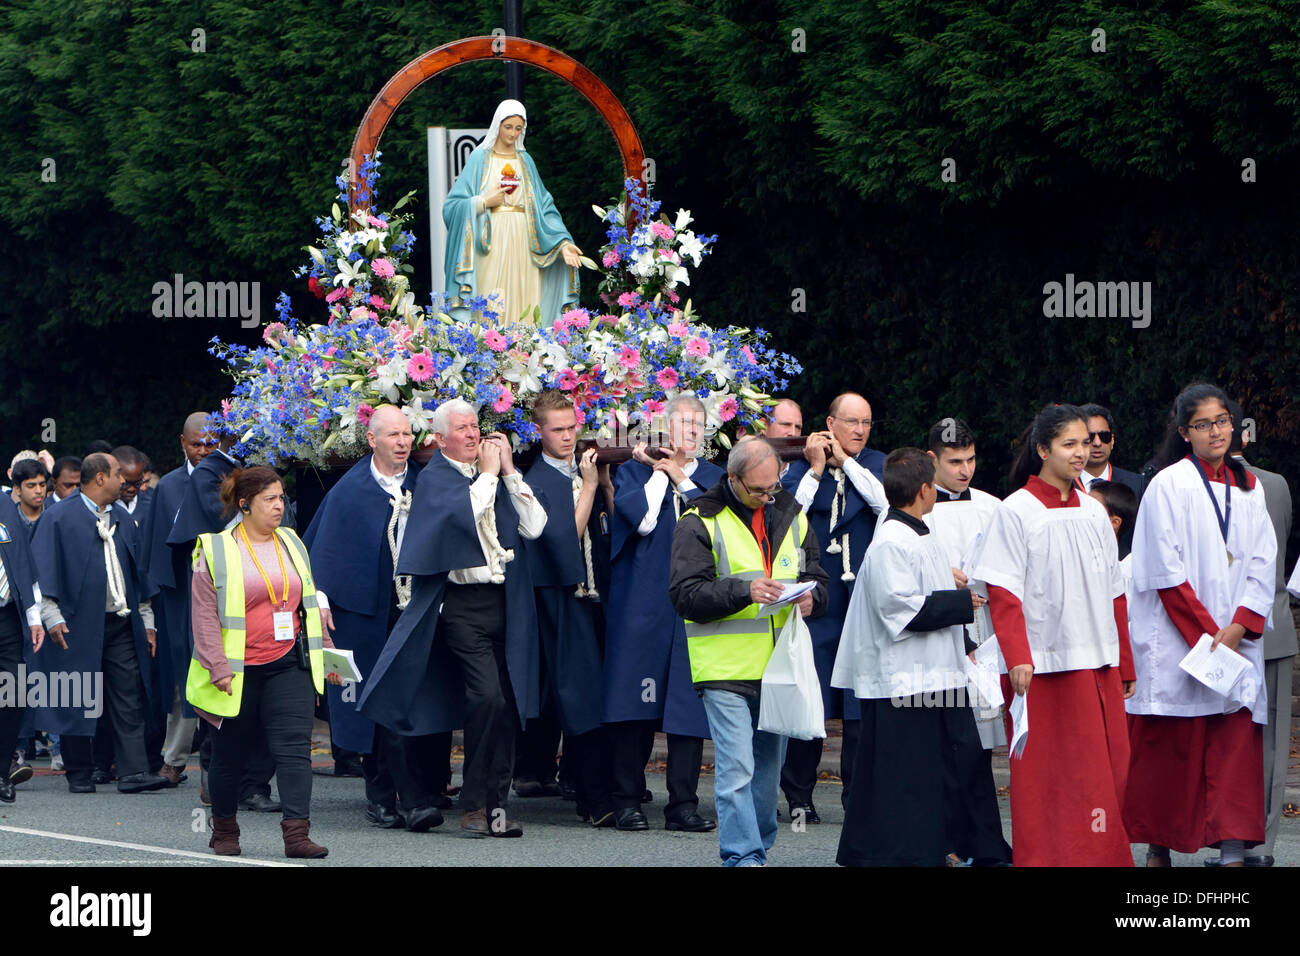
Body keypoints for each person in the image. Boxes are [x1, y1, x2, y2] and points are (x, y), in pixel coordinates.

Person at [359, 399, 546, 838]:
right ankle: (473, 804)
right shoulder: (435, 480)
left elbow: (536, 526)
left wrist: (510, 473)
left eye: (474, 427)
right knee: (487, 699)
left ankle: (494, 808)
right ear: (440, 438)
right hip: (461, 608)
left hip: (505, 603)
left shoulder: (494, 478)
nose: (472, 435)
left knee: (509, 705)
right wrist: (486, 475)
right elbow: (457, 521)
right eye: (461, 429)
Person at [967, 404, 1136, 866]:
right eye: (1069, 444)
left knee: (1104, 774)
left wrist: (1125, 661)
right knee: (1048, 777)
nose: (1082, 452)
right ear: (1043, 449)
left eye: (1085, 443)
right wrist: (1018, 655)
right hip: (1041, 668)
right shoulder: (1016, 510)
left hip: (1098, 663)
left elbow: (1115, 591)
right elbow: (1003, 591)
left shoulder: (1095, 512)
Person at [833, 448, 1008, 866]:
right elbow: (900, 609)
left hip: (939, 673)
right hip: (906, 680)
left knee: (950, 765)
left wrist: (961, 630)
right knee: (907, 777)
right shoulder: (891, 541)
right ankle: (903, 854)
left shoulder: (920, 531)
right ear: (925, 489)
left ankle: (959, 846)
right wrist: (963, 604)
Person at [1125, 384, 1275, 867]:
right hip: (1180, 641)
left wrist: (1238, 629)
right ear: (1184, 433)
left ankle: (1232, 852)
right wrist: (1208, 637)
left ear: (1235, 425)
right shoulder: (1168, 485)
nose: (1216, 431)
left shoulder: (1249, 489)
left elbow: (1262, 563)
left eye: (1223, 421)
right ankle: (1159, 847)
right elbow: (1161, 568)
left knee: (1233, 750)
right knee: (1172, 753)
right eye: (1203, 424)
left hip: (1234, 640)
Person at [670, 437, 827, 866]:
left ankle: (756, 849)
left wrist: (813, 598)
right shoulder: (698, 519)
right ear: (733, 478)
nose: (767, 496)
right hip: (723, 667)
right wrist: (745, 591)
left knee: (766, 774)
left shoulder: (791, 512)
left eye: (772, 487)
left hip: (777, 667)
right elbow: (684, 595)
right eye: (757, 489)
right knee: (737, 769)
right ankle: (743, 857)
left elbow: (817, 575)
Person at [303, 405, 450, 833]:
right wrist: (323, 607)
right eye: (393, 436)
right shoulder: (350, 492)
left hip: (414, 607)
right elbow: (326, 555)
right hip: (366, 610)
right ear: (372, 440)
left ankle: (403, 795)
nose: (403, 442)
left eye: (407, 434)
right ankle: (393, 795)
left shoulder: (425, 486)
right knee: (374, 700)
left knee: (406, 698)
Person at [189, 466, 342, 858]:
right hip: (236, 670)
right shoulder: (216, 548)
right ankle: (224, 830)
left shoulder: (291, 541)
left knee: (293, 750)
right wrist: (217, 667)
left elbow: (307, 601)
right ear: (245, 504)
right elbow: (204, 616)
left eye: (281, 498)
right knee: (228, 755)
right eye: (270, 499)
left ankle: (296, 835)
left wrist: (325, 653)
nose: (280, 506)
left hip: (288, 662)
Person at [602, 393, 724, 832]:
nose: (691, 431)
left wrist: (682, 478)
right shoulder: (631, 472)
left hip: (693, 608)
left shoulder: (716, 478)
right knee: (635, 702)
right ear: (663, 429)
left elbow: (717, 527)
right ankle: (628, 800)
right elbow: (643, 522)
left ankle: (684, 805)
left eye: (698, 424)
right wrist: (660, 473)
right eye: (683, 423)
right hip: (643, 604)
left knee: (688, 708)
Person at [31, 453, 168, 794]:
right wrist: (50, 616)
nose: (124, 480)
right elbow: (42, 570)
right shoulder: (58, 517)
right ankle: (80, 772)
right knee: (77, 692)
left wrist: (147, 620)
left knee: (128, 692)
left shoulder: (122, 517)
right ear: (100, 478)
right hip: (75, 622)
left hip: (120, 619)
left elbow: (137, 575)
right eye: (118, 474)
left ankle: (134, 770)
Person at [779, 391, 887, 820]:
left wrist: (848, 463)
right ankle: (799, 795)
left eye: (866, 423)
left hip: (861, 600)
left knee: (859, 705)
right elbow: (787, 515)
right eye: (851, 422)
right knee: (814, 699)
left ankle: (856, 797)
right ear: (830, 423)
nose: (859, 431)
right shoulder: (803, 469)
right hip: (818, 599)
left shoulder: (875, 463)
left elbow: (885, 503)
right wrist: (820, 467)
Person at [168, 432, 279, 811]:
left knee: (267, 716)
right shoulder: (208, 475)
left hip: (271, 625)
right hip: (228, 616)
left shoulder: (262, 476)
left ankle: (255, 786)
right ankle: (219, 787)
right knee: (224, 713)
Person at [519, 390, 616, 824]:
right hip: (559, 597)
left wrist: (605, 486)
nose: (566, 436)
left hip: (597, 597)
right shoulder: (536, 481)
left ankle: (587, 782)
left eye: (571, 427)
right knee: (579, 691)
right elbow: (561, 539)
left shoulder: (585, 469)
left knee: (599, 689)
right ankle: (594, 800)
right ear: (538, 433)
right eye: (556, 430)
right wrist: (590, 486)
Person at [1212, 400, 1295, 868]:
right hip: (1274, 627)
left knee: (1222, 738)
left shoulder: (1185, 484)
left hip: (1218, 632)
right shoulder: (1277, 485)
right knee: (1270, 743)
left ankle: (1227, 840)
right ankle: (1260, 842)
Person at [442, 99, 582, 326]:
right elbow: (452, 206)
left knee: (525, 295)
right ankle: (489, 347)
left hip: (524, 238)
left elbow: (545, 206)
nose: (513, 133)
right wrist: (484, 202)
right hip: (490, 239)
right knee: (491, 296)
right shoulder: (480, 158)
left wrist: (563, 242)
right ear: (497, 125)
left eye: (519, 128)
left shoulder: (526, 161)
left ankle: (525, 350)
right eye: (508, 127)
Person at [143, 412, 212, 787]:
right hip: (179, 591)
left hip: (223, 587)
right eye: (196, 444)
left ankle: (224, 765)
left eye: (210, 443)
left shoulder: (228, 477)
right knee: (182, 672)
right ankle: (174, 757)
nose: (203, 451)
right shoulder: (168, 487)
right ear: (182, 443)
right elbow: (155, 546)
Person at [0, 494, 45, 803]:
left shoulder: (4, 504)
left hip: (7, 614)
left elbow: (22, 561)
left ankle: (2, 772)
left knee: (13, 694)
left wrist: (34, 617)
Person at [1077, 403, 1146, 497]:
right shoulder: (1062, 484)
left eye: (1104, 436)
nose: (1097, 443)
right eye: (1090, 437)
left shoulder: (1136, 484)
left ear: (1112, 441)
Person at [760, 398, 802, 480]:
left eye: (798, 427)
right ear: (764, 426)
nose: (793, 433)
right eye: (786, 424)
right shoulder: (743, 468)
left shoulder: (804, 472)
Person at [110, 445, 152, 528]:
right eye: (125, 484)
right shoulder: (102, 507)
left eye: (137, 483)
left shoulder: (151, 505)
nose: (131, 489)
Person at [9, 459, 49, 539]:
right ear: (17, 489)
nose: (39, 491)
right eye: (31, 486)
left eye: (42, 485)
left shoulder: (56, 517)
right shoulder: (7, 520)